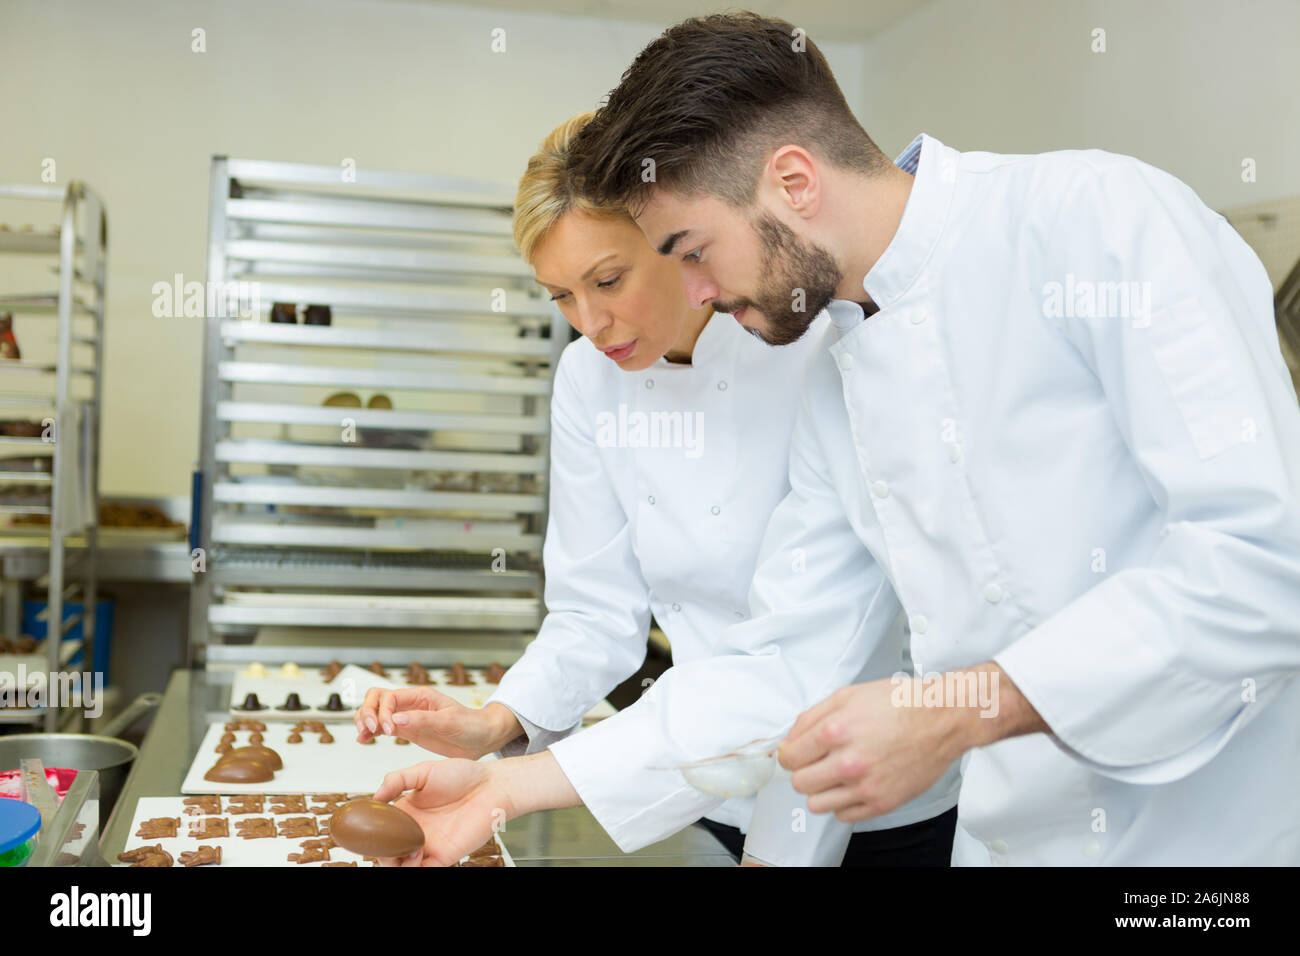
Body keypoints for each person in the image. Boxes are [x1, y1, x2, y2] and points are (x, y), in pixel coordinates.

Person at [378, 11, 1300, 866]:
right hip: (1012, 836)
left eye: (692, 251)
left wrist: (961, 710)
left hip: (1205, 841)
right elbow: (784, 660)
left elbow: (1264, 561)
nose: (693, 295)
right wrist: (503, 786)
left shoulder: (1097, 219)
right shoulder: (839, 365)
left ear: (792, 180)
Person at [357, 112, 960, 866]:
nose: (592, 322)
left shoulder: (810, 350)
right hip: (703, 778)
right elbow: (593, 608)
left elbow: (819, 656)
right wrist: (500, 721)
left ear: (678, 240)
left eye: (608, 280)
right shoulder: (587, 379)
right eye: (561, 297)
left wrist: (511, 789)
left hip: (877, 803)